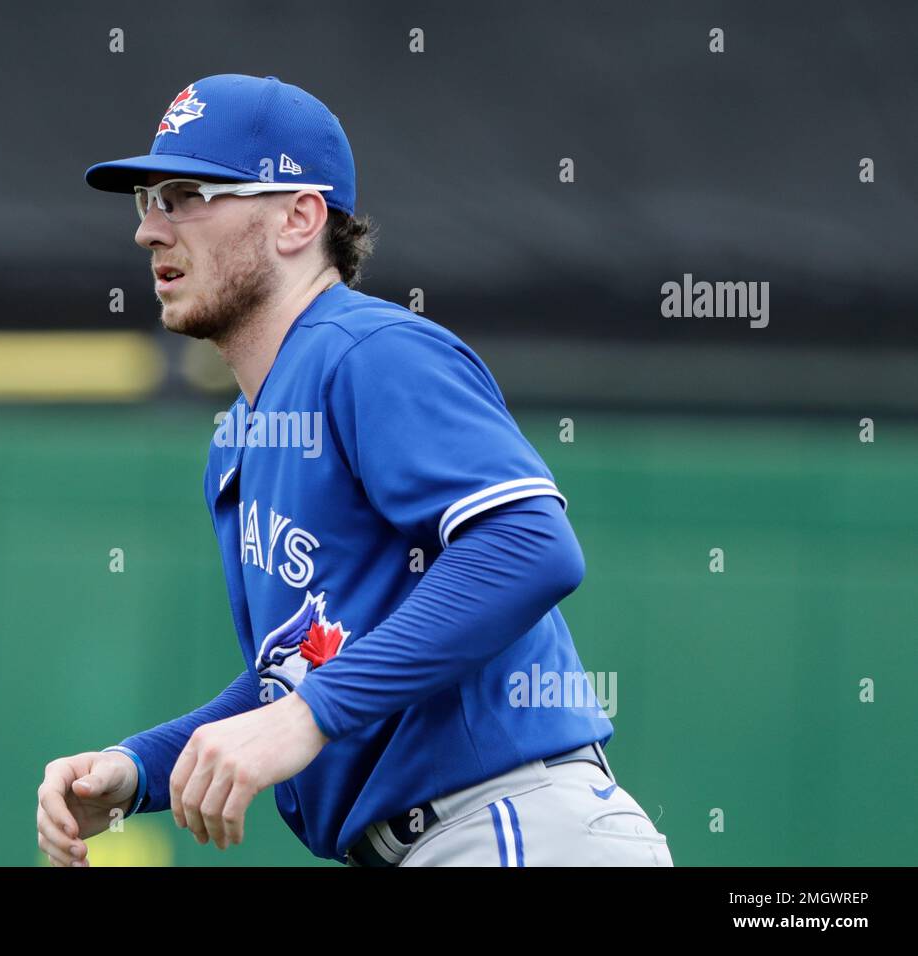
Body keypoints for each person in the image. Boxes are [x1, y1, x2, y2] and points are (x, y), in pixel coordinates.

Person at [36, 73, 673, 867]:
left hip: (507, 825)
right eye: (147, 201)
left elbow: (529, 544)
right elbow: (303, 669)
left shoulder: (370, 351)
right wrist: (142, 769)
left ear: (299, 217)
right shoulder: (241, 436)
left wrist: (307, 718)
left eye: (188, 193)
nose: (150, 231)